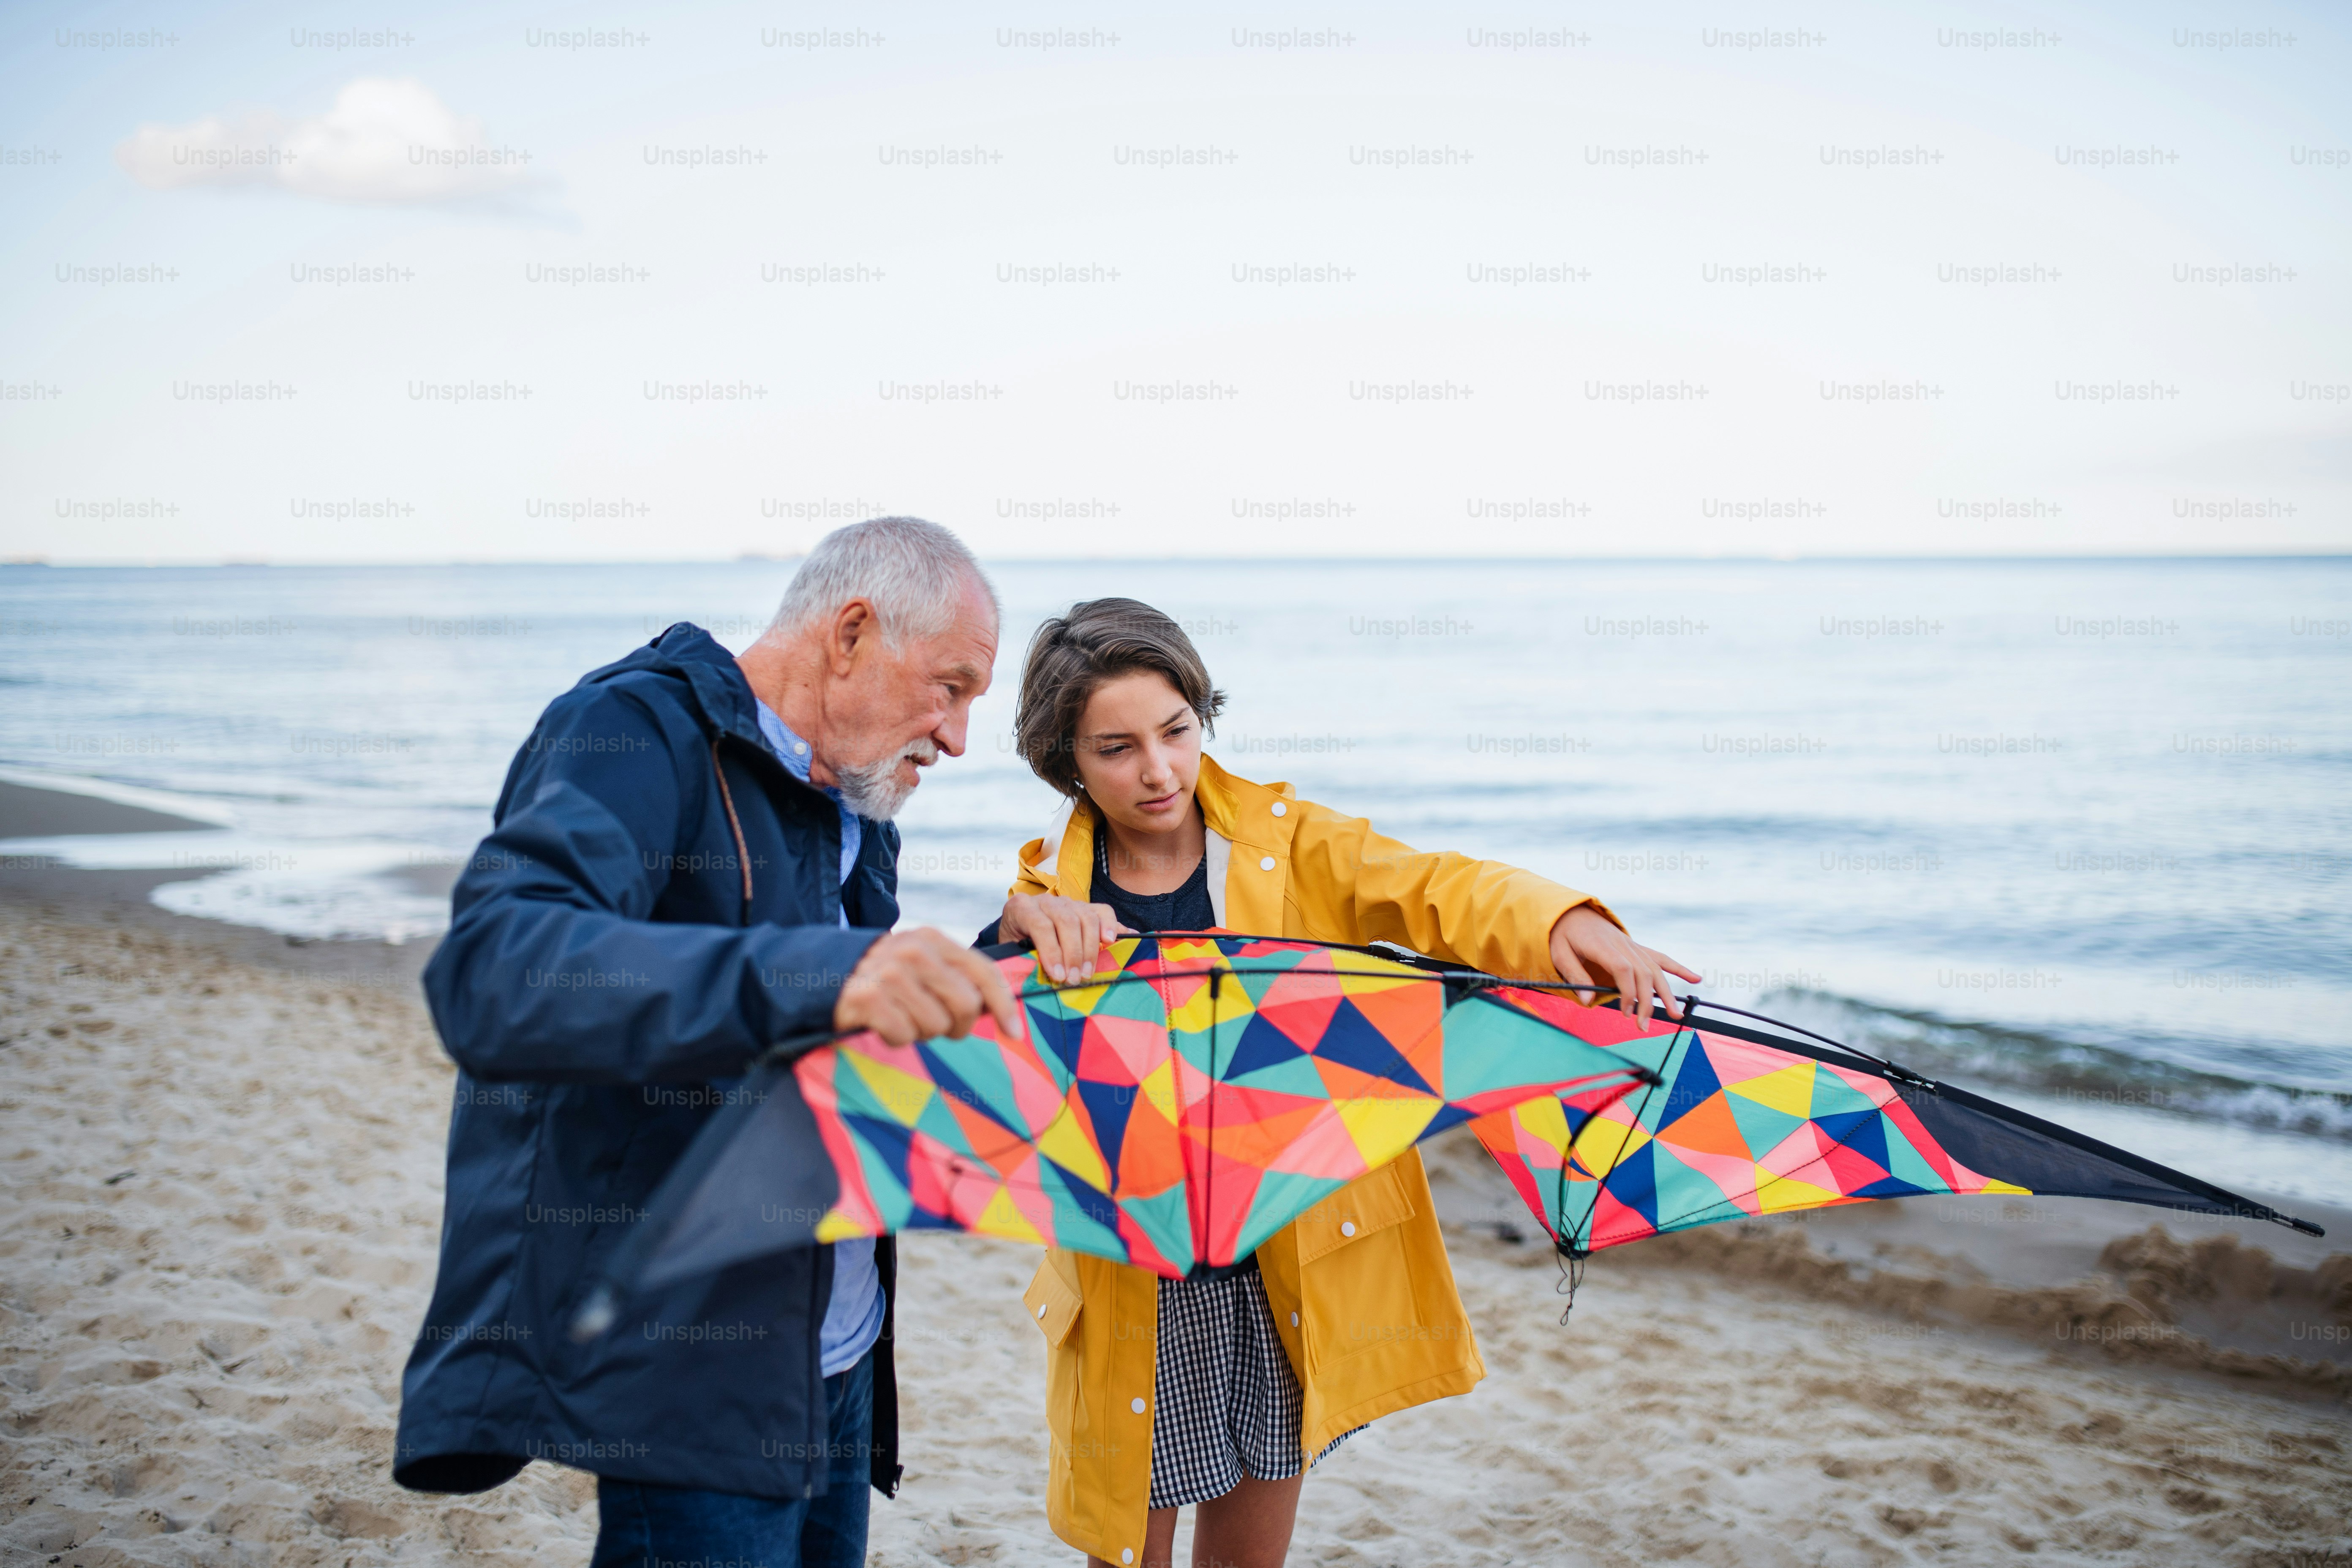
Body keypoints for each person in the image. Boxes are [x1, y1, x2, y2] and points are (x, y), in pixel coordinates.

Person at [989, 599, 1699, 1568]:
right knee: (1127, 1543)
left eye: (1177, 731)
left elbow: (1437, 888)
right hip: (1137, 1270)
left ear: (1203, 714)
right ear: (1065, 756)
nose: (1158, 770)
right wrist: (1011, 938)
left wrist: (1565, 925)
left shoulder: (1291, 845)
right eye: (1116, 747)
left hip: (1287, 1247)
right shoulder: (1051, 896)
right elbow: (982, 1044)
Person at [394, 517, 1026, 1568]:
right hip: (688, 1356)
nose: (958, 736)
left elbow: (835, 1035)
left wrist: (1002, 958)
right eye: (950, 687)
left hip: (842, 1348)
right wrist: (832, 975)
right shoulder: (631, 730)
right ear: (851, 632)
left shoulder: (857, 797)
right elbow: (497, 972)